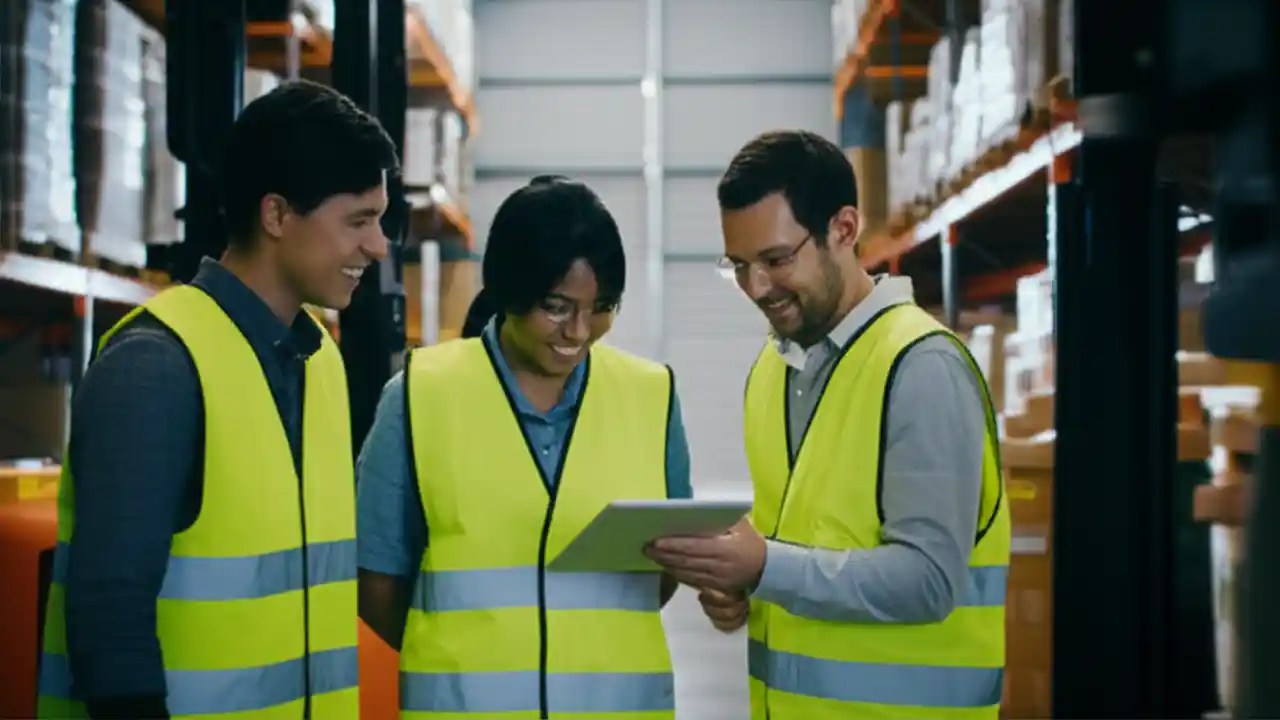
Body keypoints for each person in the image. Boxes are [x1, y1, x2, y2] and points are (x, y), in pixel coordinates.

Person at [36, 80, 398, 719]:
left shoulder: (319, 362)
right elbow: (108, 622)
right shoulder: (156, 368)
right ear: (277, 215)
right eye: (360, 221)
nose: (378, 246)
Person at [645, 130, 1010, 719]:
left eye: (776, 259)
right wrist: (743, 584)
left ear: (843, 229)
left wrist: (765, 566)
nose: (756, 288)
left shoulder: (921, 368)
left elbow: (929, 579)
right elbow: (810, 539)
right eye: (738, 266)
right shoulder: (773, 367)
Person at [356, 175, 693, 719]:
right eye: (557, 307)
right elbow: (376, 581)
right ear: (511, 290)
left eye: (602, 306)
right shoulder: (421, 394)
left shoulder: (652, 395)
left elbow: (667, 570)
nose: (578, 331)